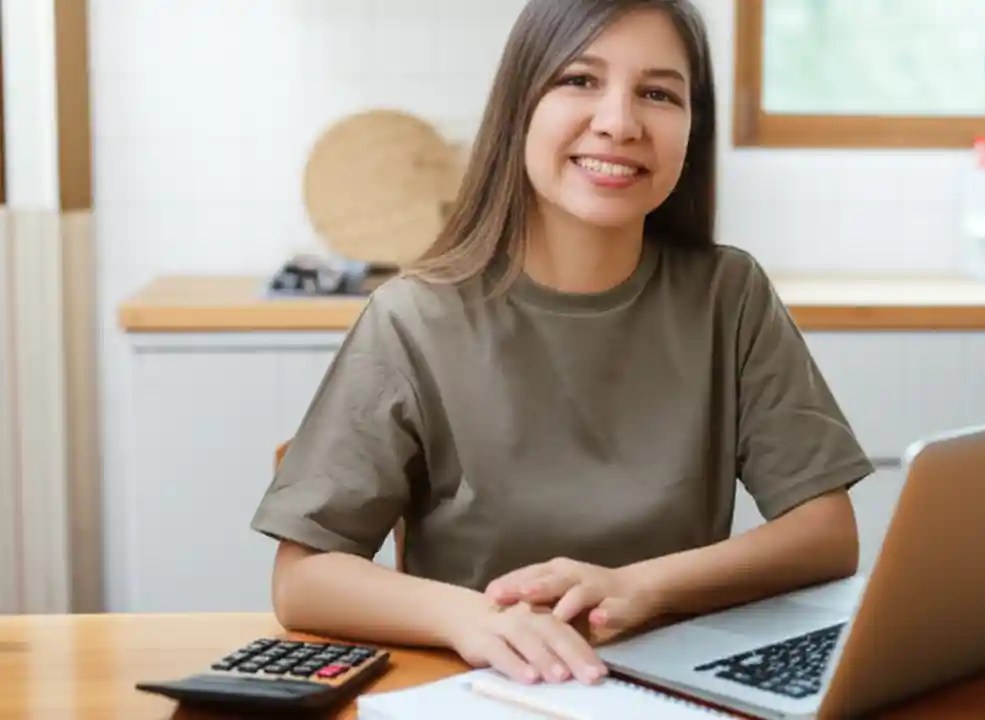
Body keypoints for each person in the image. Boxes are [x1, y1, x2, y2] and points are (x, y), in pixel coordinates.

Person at [250, 0, 873, 690]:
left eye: (659, 93)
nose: (618, 122)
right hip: (486, 692)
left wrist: (642, 587)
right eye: (579, 80)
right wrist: (470, 619)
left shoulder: (729, 295)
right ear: (520, 104)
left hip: (681, 692)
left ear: (693, 128)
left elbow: (827, 531)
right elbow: (303, 577)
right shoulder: (415, 318)